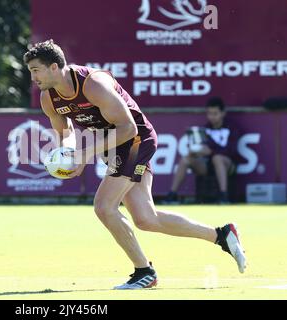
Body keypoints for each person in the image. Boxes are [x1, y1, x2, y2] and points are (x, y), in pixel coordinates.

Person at [23, 40, 246, 289]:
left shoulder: (93, 84)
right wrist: (69, 155)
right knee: (145, 218)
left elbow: (128, 128)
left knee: (104, 207)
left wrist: (85, 154)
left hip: (136, 139)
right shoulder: (48, 98)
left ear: (54, 67)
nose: (32, 77)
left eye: (35, 70)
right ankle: (222, 236)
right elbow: (65, 133)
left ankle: (144, 272)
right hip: (111, 144)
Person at [165, 97, 238, 204]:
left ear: (223, 113)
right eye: (209, 113)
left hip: (227, 164)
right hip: (207, 165)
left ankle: (223, 196)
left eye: (215, 113)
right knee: (186, 159)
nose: (212, 117)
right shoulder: (204, 129)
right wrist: (195, 151)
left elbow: (232, 151)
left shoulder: (232, 128)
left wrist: (211, 152)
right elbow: (202, 150)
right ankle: (172, 194)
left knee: (217, 158)